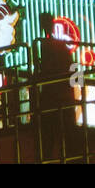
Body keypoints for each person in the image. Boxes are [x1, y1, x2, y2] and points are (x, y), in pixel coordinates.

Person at [35, 13, 74, 161]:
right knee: (65, 129)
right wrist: (77, 86)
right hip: (63, 92)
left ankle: (48, 157)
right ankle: (70, 156)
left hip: (51, 93)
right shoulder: (60, 44)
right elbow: (72, 65)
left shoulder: (45, 45)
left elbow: (46, 69)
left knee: (49, 131)